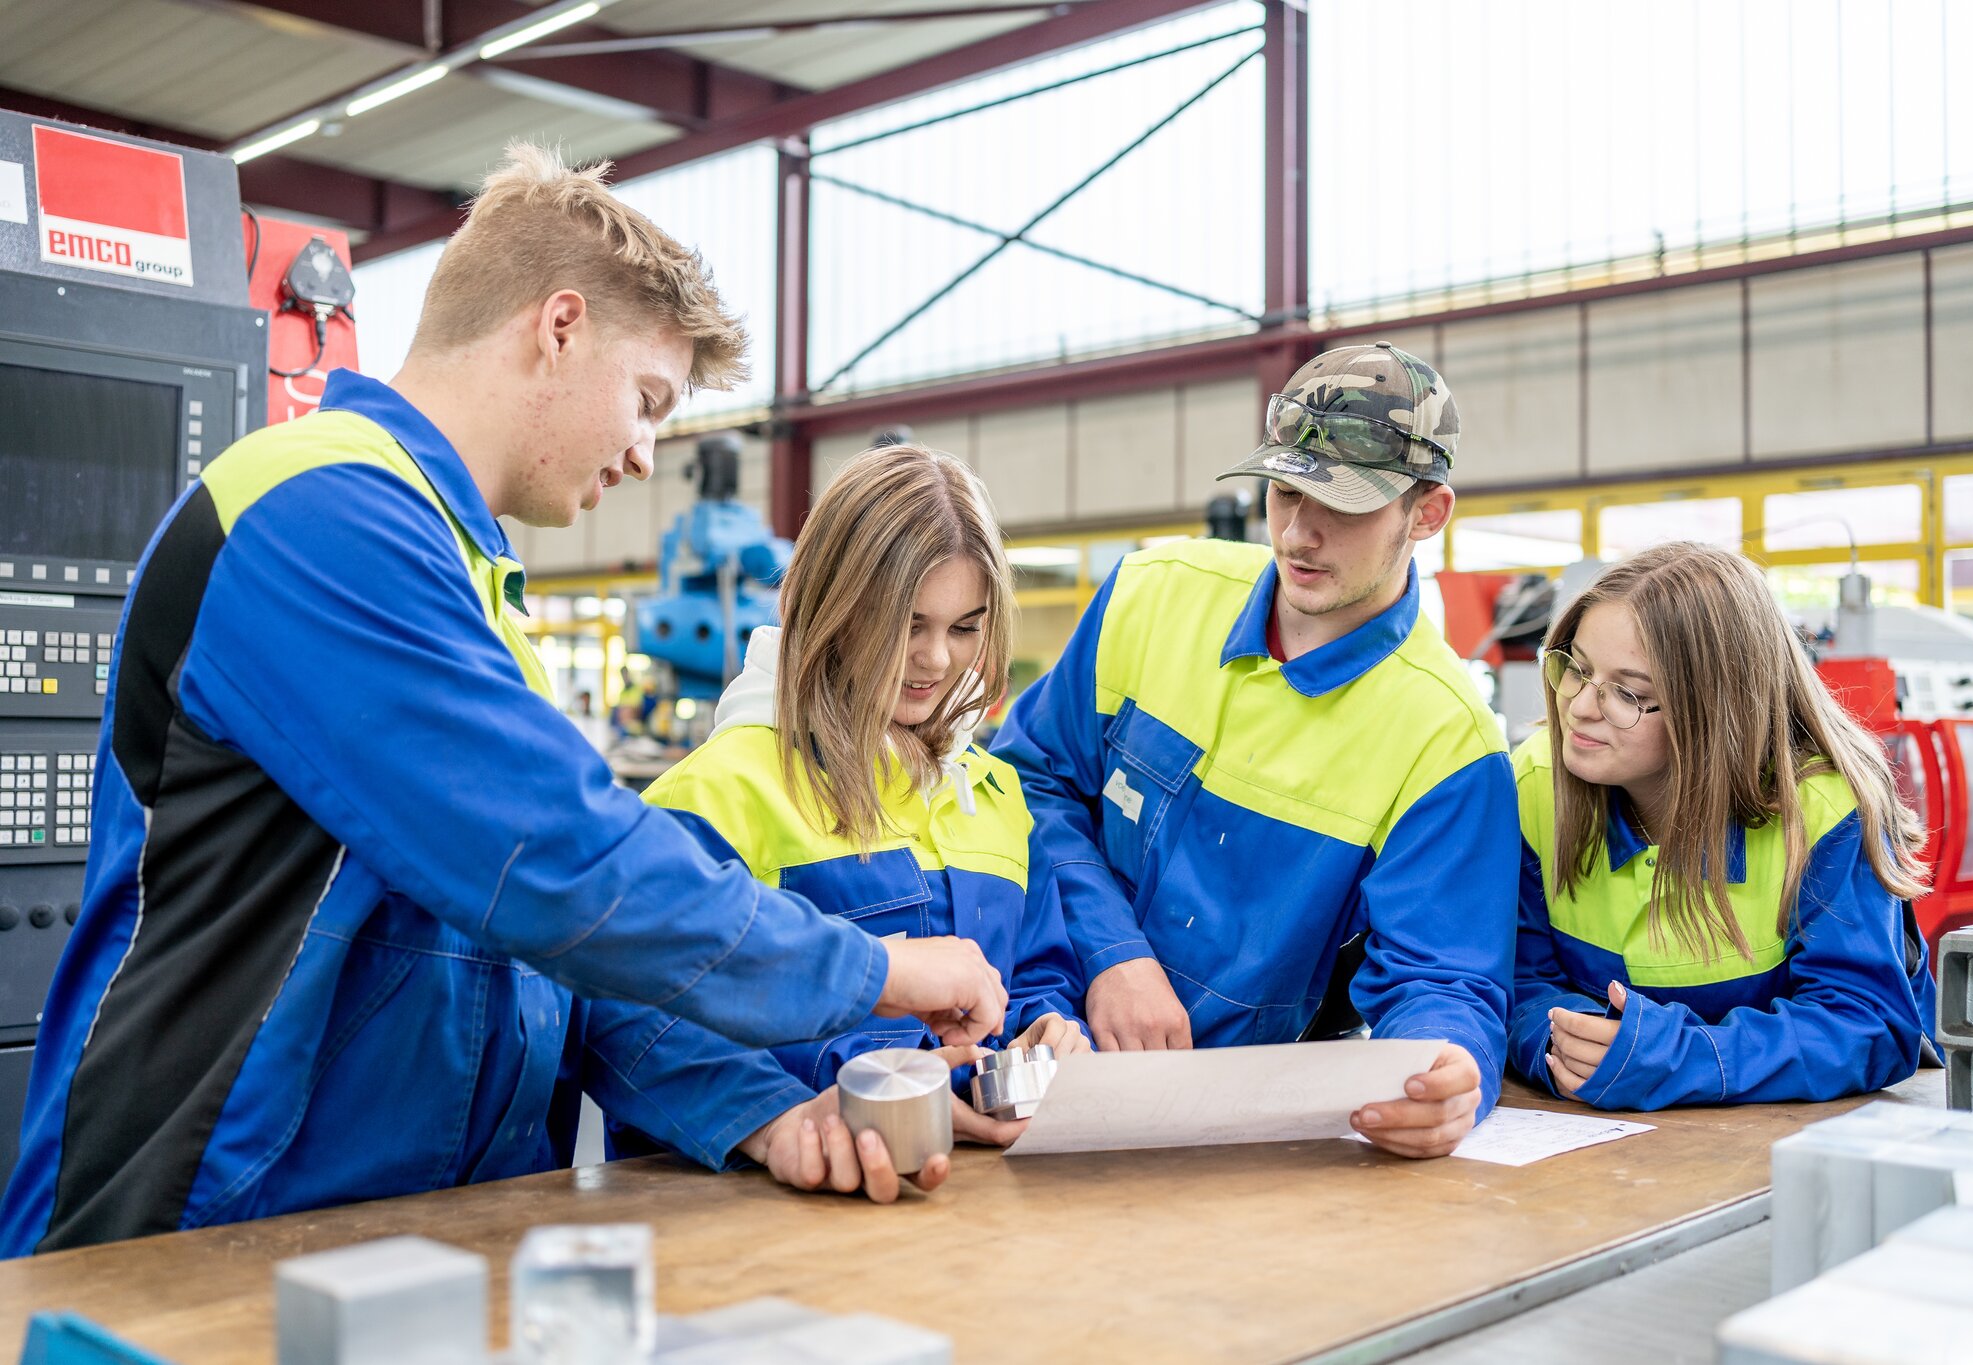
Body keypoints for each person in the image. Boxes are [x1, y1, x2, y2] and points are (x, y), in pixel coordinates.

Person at [0, 144, 1005, 1256]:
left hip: (411, 1237)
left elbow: (561, 958)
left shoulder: (472, 589)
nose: (645, 453)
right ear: (560, 326)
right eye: (647, 400)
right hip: (198, 1238)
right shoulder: (314, 512)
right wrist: (872, 971)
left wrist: (759, 1111)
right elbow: (557, 863)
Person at [994, 343, 1517, 1159]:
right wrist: (1112, 956)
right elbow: (1026, 781)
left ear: (1428, 513)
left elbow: (1443, 979)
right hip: (1043, 1044)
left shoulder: (1448, 739)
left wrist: (1447, 1073)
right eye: (1285, 490)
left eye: (1342, 504)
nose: (1300, 532)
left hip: (1243, 1136)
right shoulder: (1150, 594)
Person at [632, 444, 1091, 1179]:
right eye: (907, 623)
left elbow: (1037, 971)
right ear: (830, 606)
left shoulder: (994, 793)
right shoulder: (715, 793)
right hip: (769, 1204)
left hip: (974, 1205)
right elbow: (644, 1030)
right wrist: (884, 1081)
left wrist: (1048, 1029)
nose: (936, 659)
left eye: (964, 627)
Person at [1509, 543, 1938, 1109]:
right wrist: (1560, 1043)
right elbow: (1517, 980)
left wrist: (1678, 1058)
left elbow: (1867, 1024)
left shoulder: (1824, 810)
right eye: (1579, 670)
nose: (1582, 707)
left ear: (1716, 710)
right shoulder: (1535, 779)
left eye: (1629, 693)